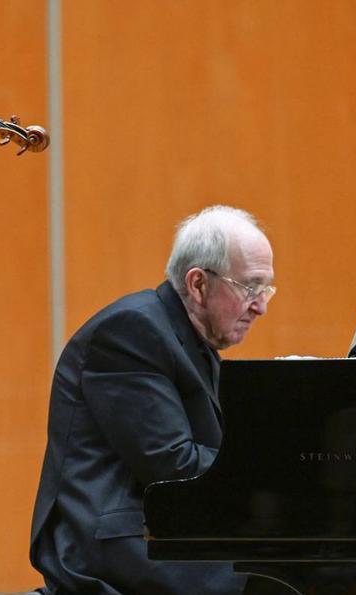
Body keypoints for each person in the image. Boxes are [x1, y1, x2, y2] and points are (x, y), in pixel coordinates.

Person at [29, 205, 275, 595]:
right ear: (197, 284)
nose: (261, 305)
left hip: (161, 531)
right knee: (276, 580)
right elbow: (174, 466)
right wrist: (275, 473)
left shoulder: (191, 340)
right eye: (251, 287)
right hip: (119, 543)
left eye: (266, 289)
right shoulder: (132, 332)